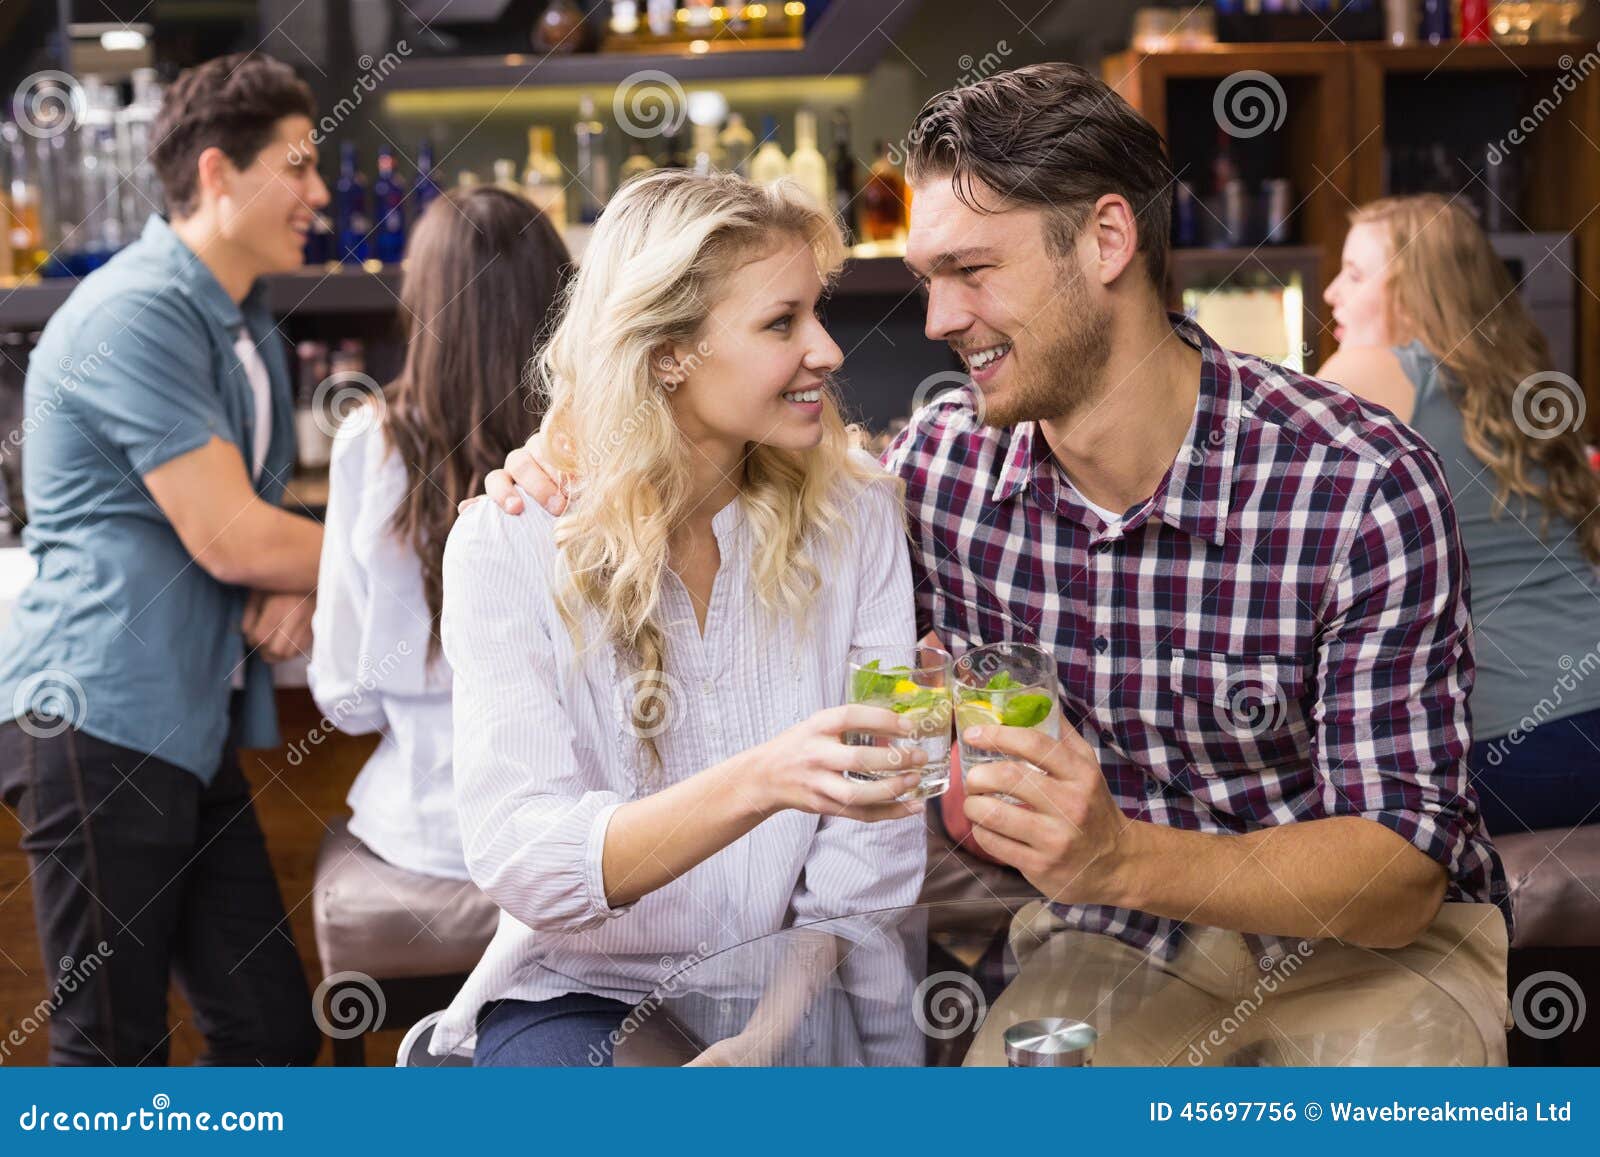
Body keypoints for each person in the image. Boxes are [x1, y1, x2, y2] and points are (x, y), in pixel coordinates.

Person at [486, 64, 1514, 1066]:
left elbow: (1401, 874)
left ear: (1107, 238)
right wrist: (572, 452)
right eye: (929, 278)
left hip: (1369, 956)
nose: (934, 319)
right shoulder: (938, 475)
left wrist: (1118, 855)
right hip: (1113, 943)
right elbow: (741, 464)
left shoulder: (1355, 484)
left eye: (970, 272)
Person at [428, 169, 928, 1066]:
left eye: (817, 312)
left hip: (799, 987)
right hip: (585, 994)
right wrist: (766, 777)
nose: (827, 350)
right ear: (668, 352)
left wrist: (766, 1037)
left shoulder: (859, 518)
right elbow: (525, 856)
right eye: (782, 323)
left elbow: (871, 845)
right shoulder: (507, 544)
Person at [0, 54, 327, 1064]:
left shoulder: (236, 323)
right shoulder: (137, 313)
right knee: (112, 1048)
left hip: (178, 729)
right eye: (299, 165)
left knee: (272, 1033)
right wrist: (425, 552)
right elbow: (230, 533)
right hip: (99, 717)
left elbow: (257, 535)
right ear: (221, 173)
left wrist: (295, 572)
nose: (319, 193)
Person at [308, 187, 570, 880]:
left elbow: (343, 693)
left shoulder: (372, 440)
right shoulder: (598, 441)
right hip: (582, 835)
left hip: (426, 827)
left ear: (422, 299)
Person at [1318, 194, 1600, 836]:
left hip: (1519, 741)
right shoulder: (1518, 380)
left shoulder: (1372, 370)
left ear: (1416, 295)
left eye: (1356, 275)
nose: (1331, 292)